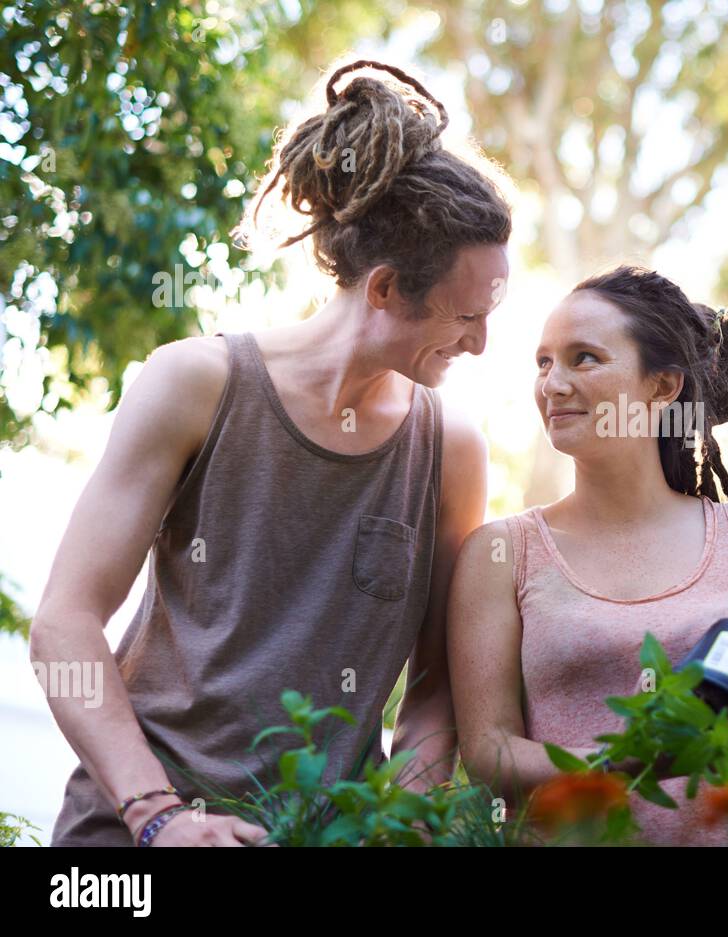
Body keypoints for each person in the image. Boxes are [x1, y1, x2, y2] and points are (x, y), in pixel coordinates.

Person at [32, 60, 512, 846]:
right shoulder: (194, 382)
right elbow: (64, 624)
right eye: (466, 316)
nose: (484, 344)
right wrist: (159, 817)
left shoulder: (450, 447)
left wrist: (386, 822)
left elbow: (434, 686)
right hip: (130, 839)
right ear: (386, 290)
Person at [448, 265, 728, 846]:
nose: (552, 384)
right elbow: (489, 754)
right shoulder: (503, 554)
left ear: (662, 387)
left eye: (584, 358)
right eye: (543, 362)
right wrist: (624, 765)